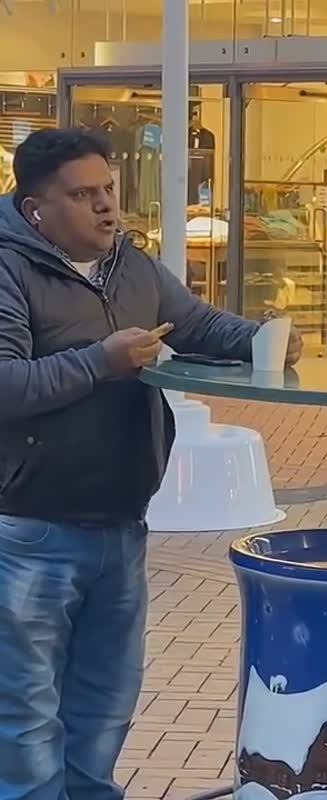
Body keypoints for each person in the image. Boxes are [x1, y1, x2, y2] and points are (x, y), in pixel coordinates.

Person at [0, 127, 302, 800]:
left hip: (122, 522)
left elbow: (198, 324)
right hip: (28, 528)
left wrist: (265, 339)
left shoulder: (129, 265)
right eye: (83, 195)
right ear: (36, 209)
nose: (106, 206)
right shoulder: (8, 268)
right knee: (24, 718)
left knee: (104, 707)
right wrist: (100, 361)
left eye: (108, 189)